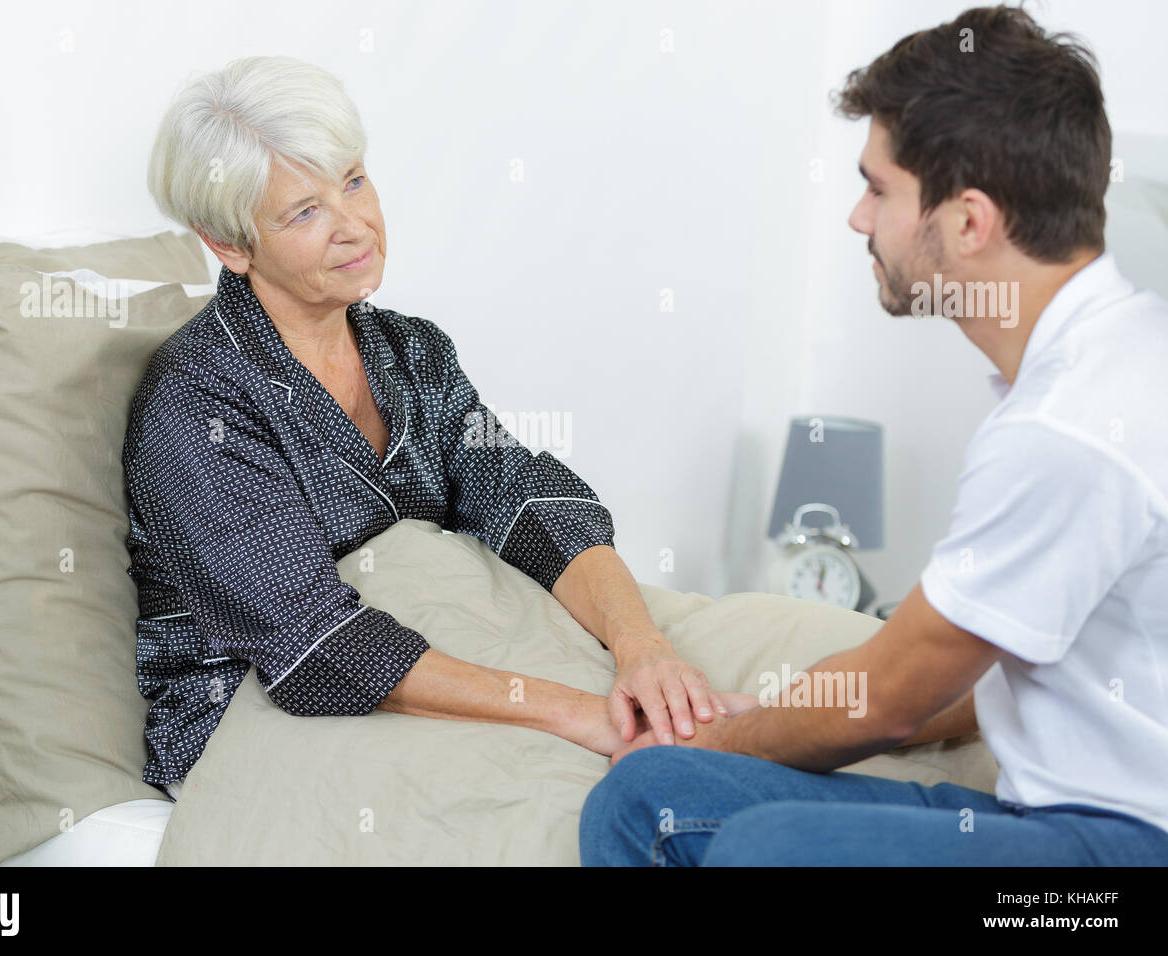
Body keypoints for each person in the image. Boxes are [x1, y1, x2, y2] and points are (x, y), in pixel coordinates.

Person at [580, 4, 1168, 866]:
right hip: (1040, 817)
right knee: (651, 797)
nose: (859, 219)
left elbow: (891, 696)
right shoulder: (1094, 366)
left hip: (1123, 848)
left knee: (765, 850)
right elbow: (964, 665)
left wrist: (714, 742)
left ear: (968, 222)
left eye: (879, 188)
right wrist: (754, 728)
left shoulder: (1069, 425)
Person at [125, 56, 726, 796]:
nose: (356, 227)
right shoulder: (198, 401)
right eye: (305, 212)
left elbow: (526, 501)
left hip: (450, 641)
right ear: (230, 246)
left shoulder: (411, 352)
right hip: (250, 711)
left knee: (725, 690)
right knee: (579, 786)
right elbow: (317, 647)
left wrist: (642, 651)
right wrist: (581, 715)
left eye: (353, 180)